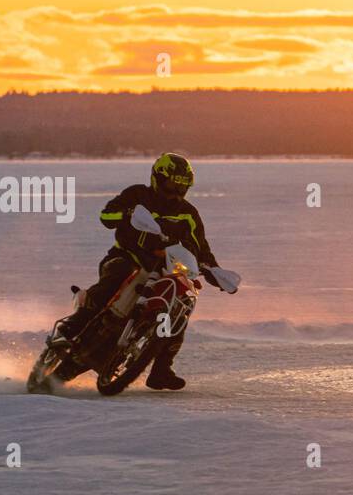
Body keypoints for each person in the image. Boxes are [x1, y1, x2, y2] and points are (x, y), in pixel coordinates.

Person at [51, 152, 227, 390]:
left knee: (181, 305)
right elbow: (106, 216)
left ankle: (161, 370)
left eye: (182, 185)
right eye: (173, 183)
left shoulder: (188, 213)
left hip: (166, 267)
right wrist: (127, 214)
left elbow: (200, 246)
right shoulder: (137, 195)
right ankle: (68, 330)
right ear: (158, 177)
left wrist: (213, 270)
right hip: (126, 256)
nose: (176, 189)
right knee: (116, 278)